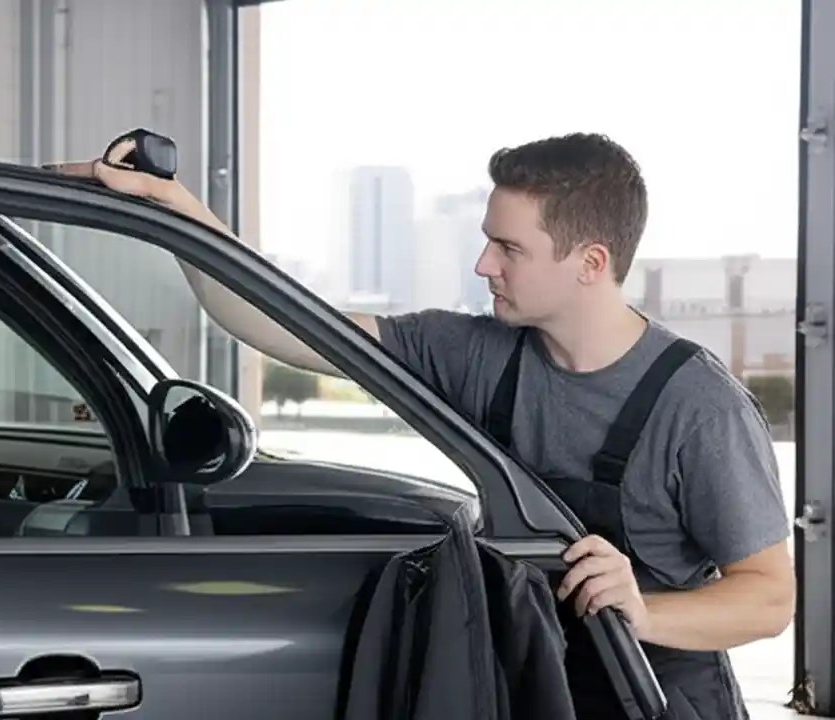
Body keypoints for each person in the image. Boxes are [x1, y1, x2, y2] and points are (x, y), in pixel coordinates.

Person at [53, 131, 795, 718]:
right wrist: (174, 212)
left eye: (509, 248)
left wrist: (642, 611)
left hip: (655, 697)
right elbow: (280, 322)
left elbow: (768, 597)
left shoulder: (699, 406)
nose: (483, 264)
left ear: (590, 261)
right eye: (487, 238)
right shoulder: (477, 353)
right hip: (534, 683)